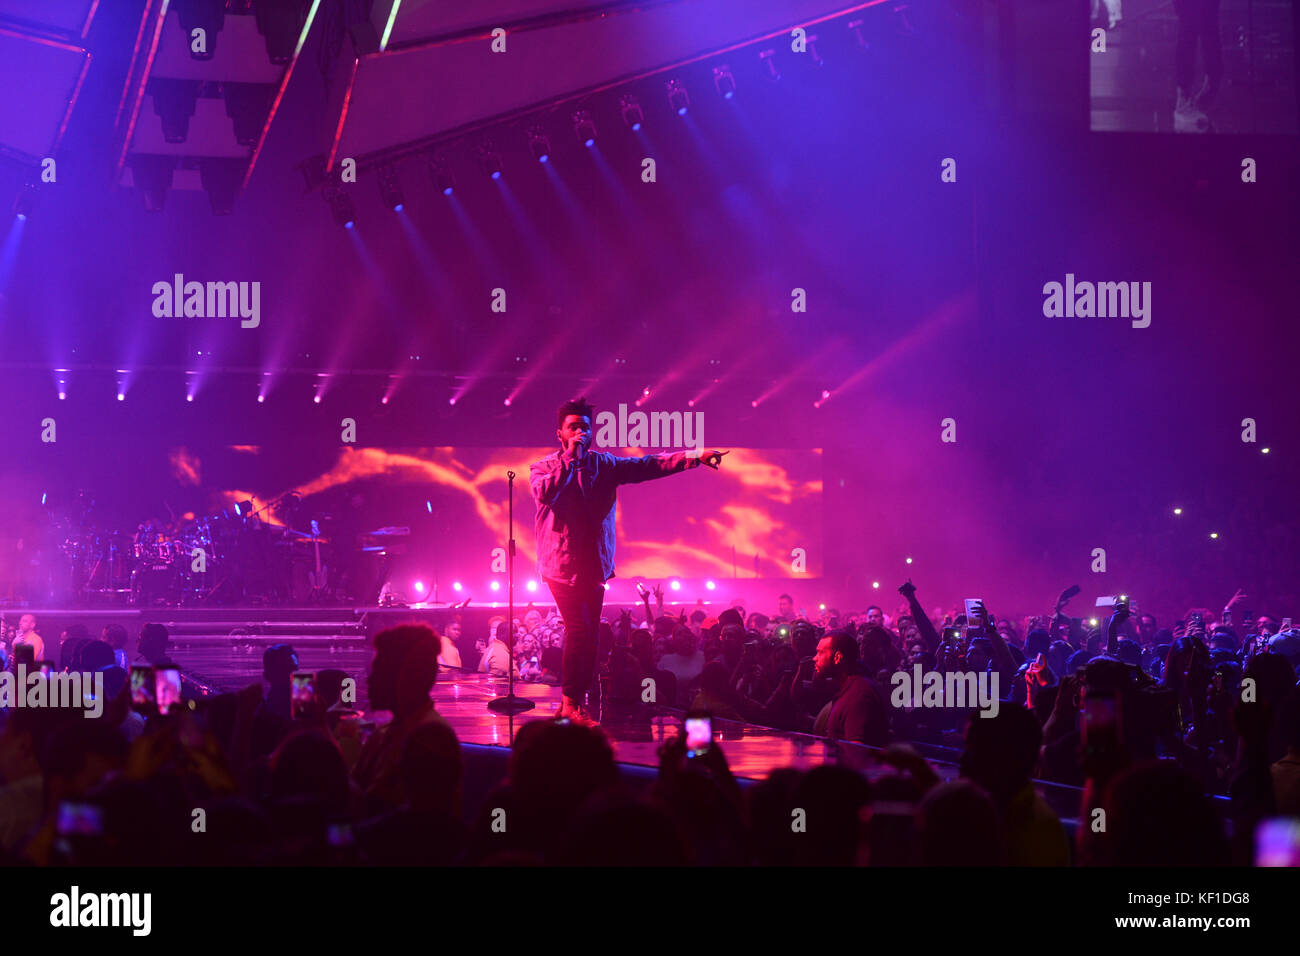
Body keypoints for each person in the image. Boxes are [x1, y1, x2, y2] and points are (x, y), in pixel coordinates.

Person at [530, 396, 727, 725]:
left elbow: (650, 465)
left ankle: (575, 701)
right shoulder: (545, 467)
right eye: (574, 428)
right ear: (560, 434)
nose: (581, 432)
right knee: (579, 632)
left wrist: (695, 456)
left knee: (591, 636)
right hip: (560, 567)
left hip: (594, 566)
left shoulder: (605, 465)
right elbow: (545, 494)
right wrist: (570, 461)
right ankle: (569, 704)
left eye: (585, 428)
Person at [811, 629, 889, 747]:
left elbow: (857, 753)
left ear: (837, 658)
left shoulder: (859, 696)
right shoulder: (848, 689)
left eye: (820, 653)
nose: (814, 658)